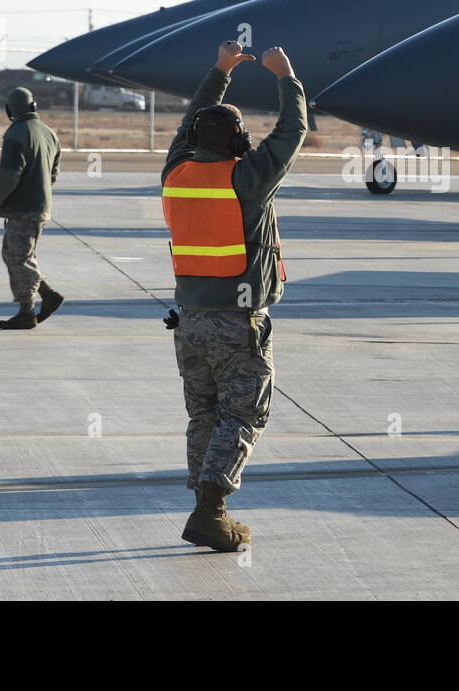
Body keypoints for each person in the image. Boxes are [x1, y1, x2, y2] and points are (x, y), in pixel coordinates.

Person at [162, 40, 306, 552]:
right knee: (242, 415)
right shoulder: (246, 179)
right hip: (238, 323)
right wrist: (285, 77)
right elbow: (292, 132)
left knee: (204, 416)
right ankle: (210, 512)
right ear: (240, 141)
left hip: (190, 321)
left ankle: (204, 507)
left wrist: (220, 70)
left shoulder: (176, 175)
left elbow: (186, 127)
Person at [0, 87, 64, 330]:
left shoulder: (16, 135)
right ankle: (48, 295)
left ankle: (27, 311)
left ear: (10, 111)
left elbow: (8, 176)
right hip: (39, 207)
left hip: (23, 210)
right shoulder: (50, 134)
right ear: (34, 105)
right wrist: (41, 193)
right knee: (14, 255)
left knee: (19, 258)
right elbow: (54, 172)